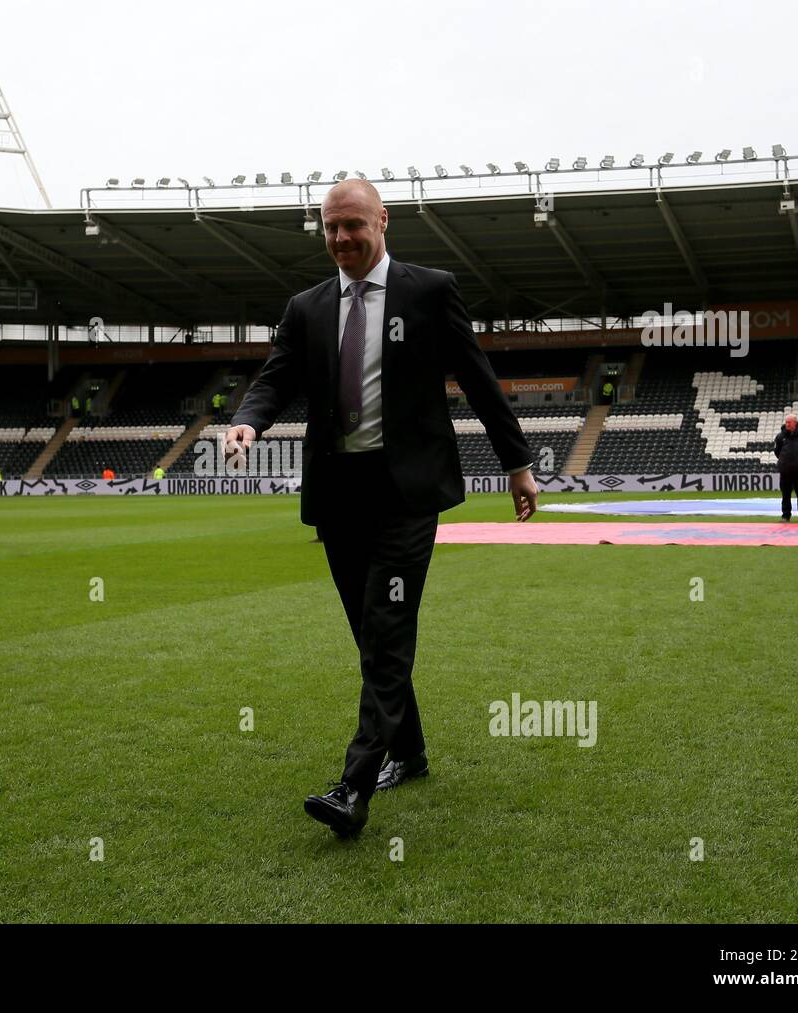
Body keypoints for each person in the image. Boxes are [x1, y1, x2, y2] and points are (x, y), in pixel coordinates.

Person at [223, 179, 537, 838]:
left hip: (407, 492)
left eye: (353, 225)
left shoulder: (428, 290)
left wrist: (517, 463)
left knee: (388, 625)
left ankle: (354, 784)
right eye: (330, 227)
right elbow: (276, 377)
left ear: (382, 221)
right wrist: (248, 421)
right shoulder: (306, 307)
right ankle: (412, 751)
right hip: (339, 495)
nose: (340, 239)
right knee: (373, 635)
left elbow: (477, 377)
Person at [774, 413, 798, 522]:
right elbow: (777, 452)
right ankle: (785, 515)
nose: (786, 424)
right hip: (785, 472)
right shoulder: (780, 436)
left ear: (795, 423)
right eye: (786, 422)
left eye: (789, 422)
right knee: (785, 495)